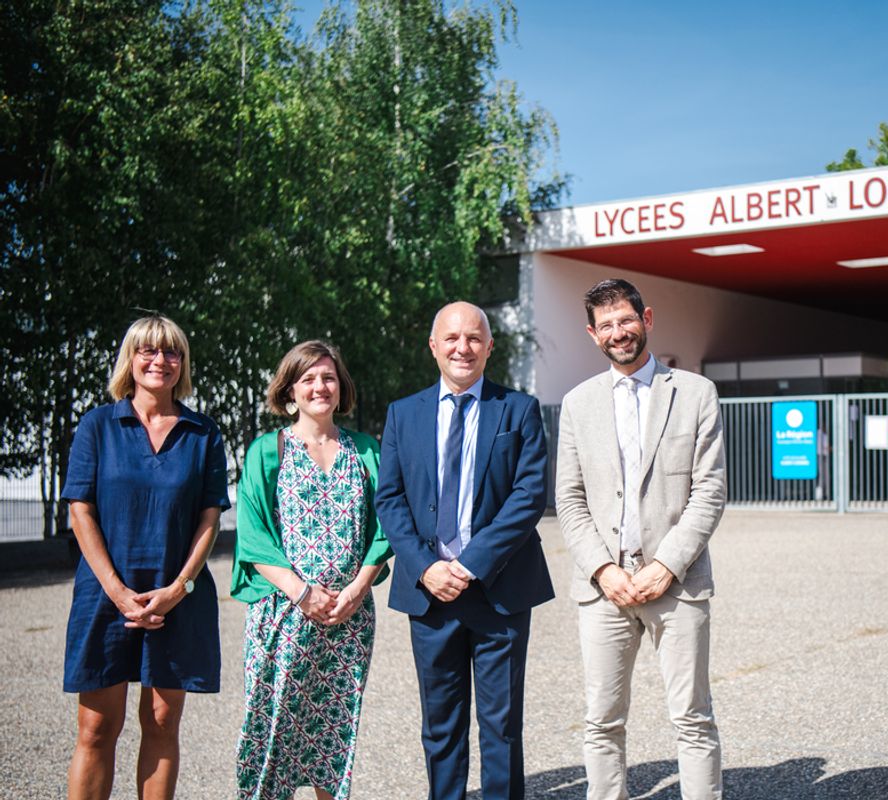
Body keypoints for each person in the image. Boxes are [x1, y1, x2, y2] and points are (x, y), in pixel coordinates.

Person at [556, 278, 727, 800]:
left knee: (692, 718)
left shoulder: (696, 392)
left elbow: (710, 490)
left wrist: (667, 565)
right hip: (605, 587)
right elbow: (570, 499)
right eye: (605, 325)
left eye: (626, 320)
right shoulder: (577, 403)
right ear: (592, 334)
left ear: (646, 319)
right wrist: (604, 570)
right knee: (602, 720)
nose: (618, 332)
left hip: (676, 582)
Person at [375, 301, 554, 800]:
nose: (463, 347)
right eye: (451, 338)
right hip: (430, 595)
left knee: (500, 726)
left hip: (498, 590)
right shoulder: (402, 414)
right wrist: (427, 567)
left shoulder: (518, 410)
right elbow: (389, 500)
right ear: (433, 346)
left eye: (474, 338)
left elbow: (528, 496)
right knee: (440, 726)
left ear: (490, 347)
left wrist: (470, 565)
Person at [62, 315, 229, 800]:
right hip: (105, 595)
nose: (161, 361)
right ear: (130, 361)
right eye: (148, 351)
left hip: (175, 596)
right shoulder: (97, 425)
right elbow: (80, 511)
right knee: (96, 728)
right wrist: (117, 592)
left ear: (184, 362)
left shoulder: (203, 433)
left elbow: (209, 519)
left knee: (160, 723)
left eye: (172, 351)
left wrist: (179, 589)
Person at [231, 341, 393, 800]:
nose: (320, 387)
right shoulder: (267, 450)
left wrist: (359, 588)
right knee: (271, 731)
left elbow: (384, 527)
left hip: (348, 617)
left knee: (334, 737)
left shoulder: (365, 450)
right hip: (283, 615)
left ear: (341, 388)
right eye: (308, 379)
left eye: (328, 377)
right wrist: (303, 593)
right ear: (290, 391)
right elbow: (253, 533)